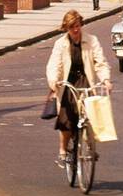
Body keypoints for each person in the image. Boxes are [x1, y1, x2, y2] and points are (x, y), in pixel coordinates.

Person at [46, 9, 112, 166]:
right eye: (71, 27)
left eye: (77, 26)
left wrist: (106, 79)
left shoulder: (91, 40)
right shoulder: (60, 44)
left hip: (85, 79)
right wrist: (54, 82)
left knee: (91, 112)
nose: (75, 30)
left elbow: (100, 62)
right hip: (67, 82)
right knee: (66, 119)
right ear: (66, 28)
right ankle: (63, 150)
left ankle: (89, 144)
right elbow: (54, 65)